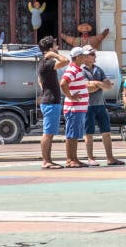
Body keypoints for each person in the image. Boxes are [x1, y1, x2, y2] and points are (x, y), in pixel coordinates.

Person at [81, 45, 124, 166]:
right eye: (92, 54)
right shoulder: (81, 70)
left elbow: (108, 86)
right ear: (85, 57)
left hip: (100, 105)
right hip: (87, 106)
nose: (95, 56)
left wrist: (96, 83)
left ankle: (110, 158)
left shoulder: (98, 69)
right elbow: (87, 89)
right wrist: (100, 85)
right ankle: (90, 158)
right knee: (88, 133)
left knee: (107, 132)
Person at [36, 36, 69, 169]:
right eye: (56, 46)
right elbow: (66, 61)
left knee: (50, 133)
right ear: (50, 49)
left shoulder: (43, 63)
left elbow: (40, 81)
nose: (58, 48)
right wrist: (54, 54)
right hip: (50, 102)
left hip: (49, 101)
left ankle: (48, 160)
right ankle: (46, 161)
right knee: (48, 133)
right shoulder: (48, 62)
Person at [59, 46, 90, 168]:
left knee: (75, 134)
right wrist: (70, 96)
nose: (85, 58)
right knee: (71, 134)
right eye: (83, 56)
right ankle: (70, 159)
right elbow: (63, 83)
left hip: (78, 108)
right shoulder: (72, 69)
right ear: (78, 57)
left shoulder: (77, 69)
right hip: (74, 108)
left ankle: (74, 158)